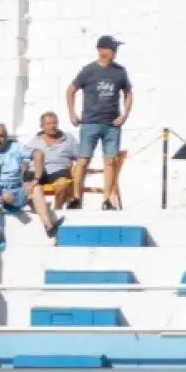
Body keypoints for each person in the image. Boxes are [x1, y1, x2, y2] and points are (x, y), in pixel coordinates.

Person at [67, 35, 132, 211]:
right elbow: (71, 90)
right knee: (83, 161)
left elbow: (128, 93)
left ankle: (107, 199)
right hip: (90, 122)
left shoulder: (120, 72)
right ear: (102, 50)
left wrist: (125, 115)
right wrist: (72, 113)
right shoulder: (88, 70)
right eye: (112, 48)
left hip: (112, 125)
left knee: (110, 161)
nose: (115, 52)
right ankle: (76, 198)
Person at [29, 112, 78, 237]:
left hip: (59, 170)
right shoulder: (35, 141)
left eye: (54, 123)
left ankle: (56, 209)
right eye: (48, 124)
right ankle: (46, 216)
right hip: (39, 172)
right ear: (42, 126)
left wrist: (76, 168)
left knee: (62, 184)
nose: (52, 126)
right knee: (34, 187)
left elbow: (80, 157)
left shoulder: (68, 139)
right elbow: (25, 159)